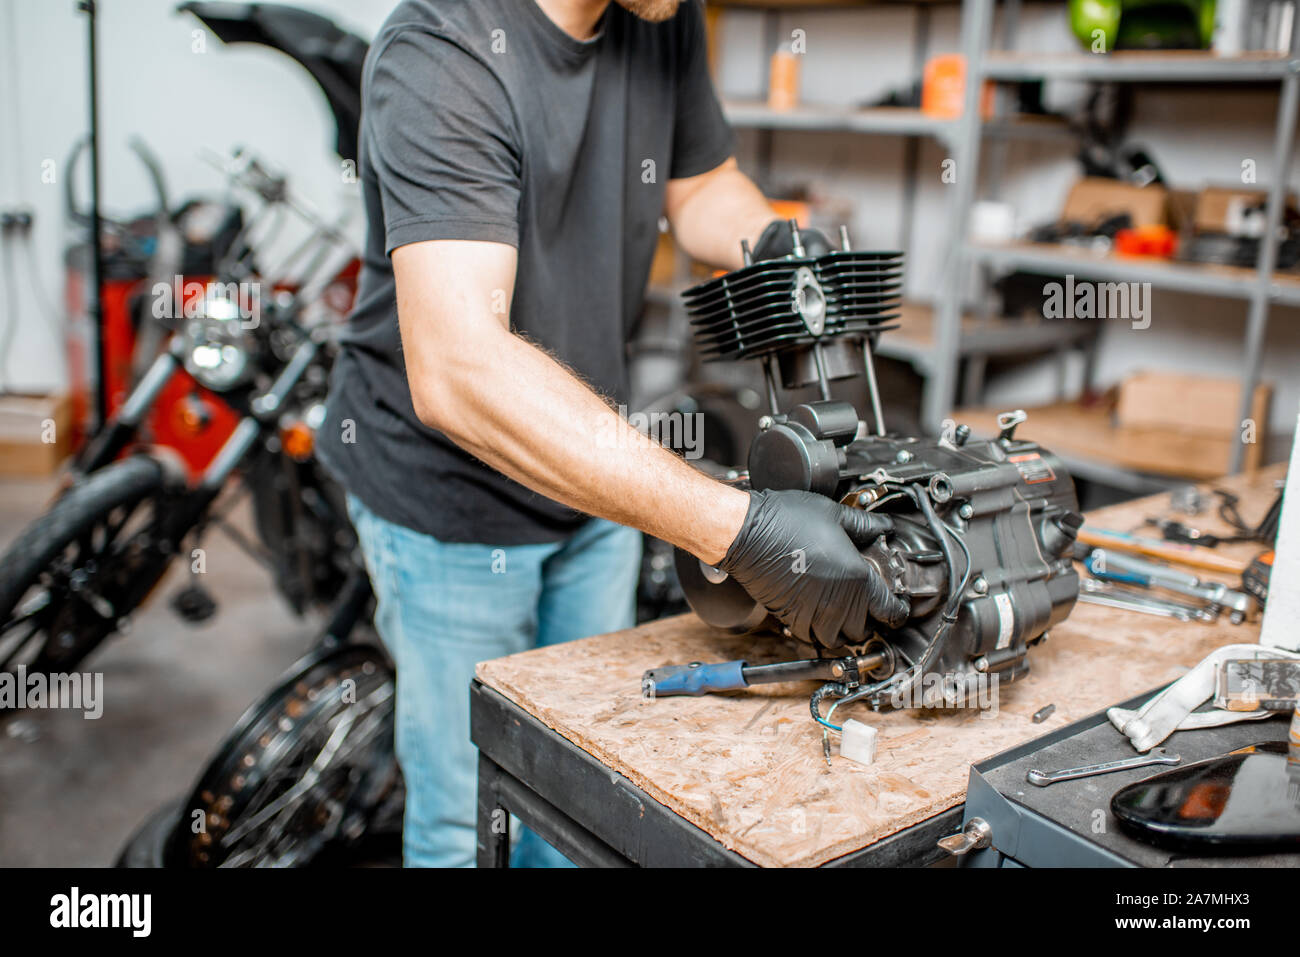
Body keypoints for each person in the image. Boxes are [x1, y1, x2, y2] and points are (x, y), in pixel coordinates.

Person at [319, 0, 907, 867]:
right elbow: (459, 372)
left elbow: (701, 184)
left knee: (579, 793)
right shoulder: (441, 50)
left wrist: (770, 244)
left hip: (596, 478)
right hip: (451, 509)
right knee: (465, 819)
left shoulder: (657, 12)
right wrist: (738, 530)